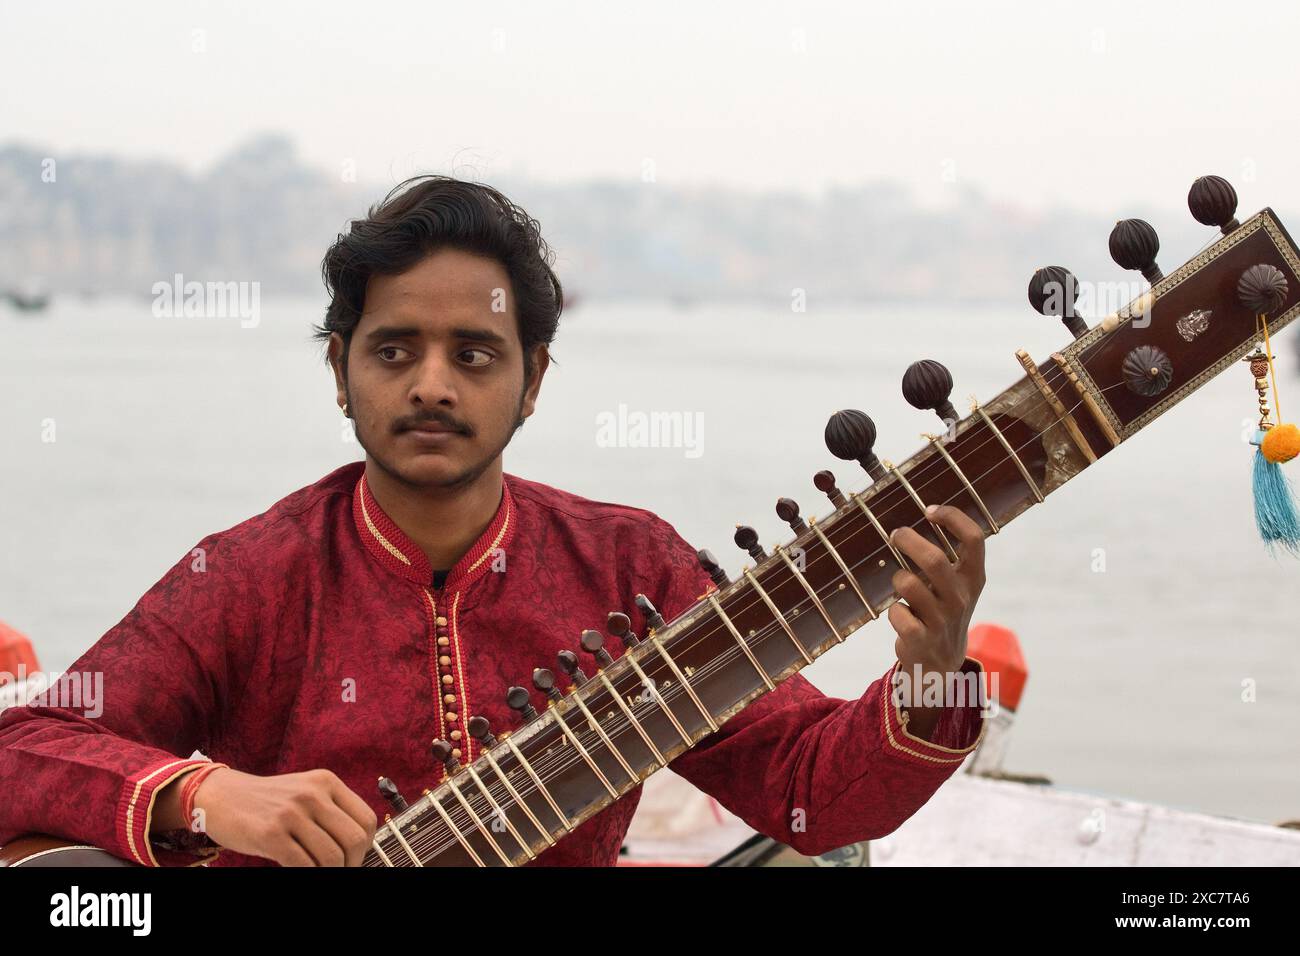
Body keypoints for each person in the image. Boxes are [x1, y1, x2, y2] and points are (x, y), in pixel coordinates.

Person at [0, 176, 990, 866]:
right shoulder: (249, 577)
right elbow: (19, 750)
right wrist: (206, 793)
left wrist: (929, 665)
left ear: (533, 381)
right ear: (340, 372)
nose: (432, 383)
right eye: (394, 350)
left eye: (473, 352)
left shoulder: (627, 567)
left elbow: (806, 794)